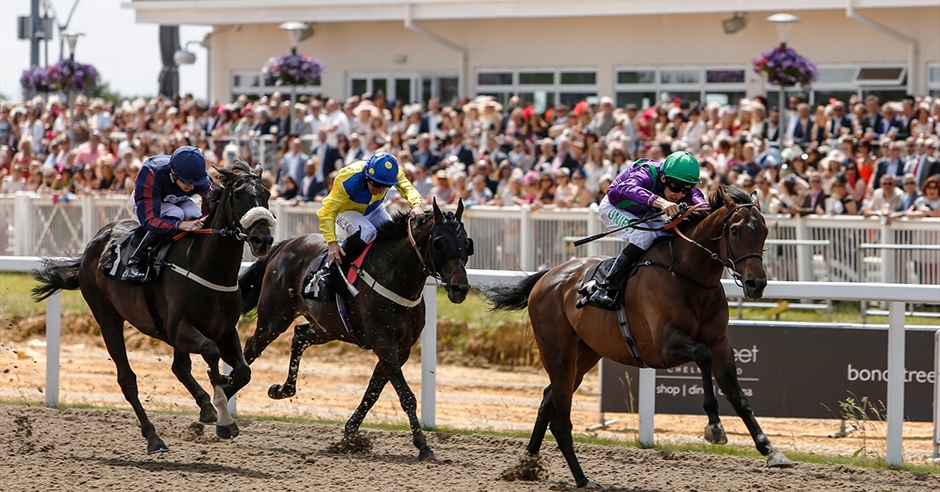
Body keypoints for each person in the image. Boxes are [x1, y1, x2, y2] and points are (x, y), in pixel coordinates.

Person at [589, 151, 707, 308]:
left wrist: (707, 208)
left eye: (686, 189)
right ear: (663, 178)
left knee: (667, 235)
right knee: (644, 237)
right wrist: (661, 202)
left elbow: (696, 197)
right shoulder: (647, 172)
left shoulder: (678, 186)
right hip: (614, 207)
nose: (680, 195)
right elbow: (625, 187)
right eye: (676, 187)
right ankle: (606, 286)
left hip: (644, 210)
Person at [316, 152, 424, 268]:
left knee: (393, 235)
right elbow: (327, 211)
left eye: (385, 186)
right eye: (376, 184)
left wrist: (416, 205)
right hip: (345, 211)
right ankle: (333, 267)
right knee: (368, 232)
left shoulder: (393, 172)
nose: (379, 191)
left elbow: (408, 188)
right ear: (367, 175)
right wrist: (332, 243)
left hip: (374, 208)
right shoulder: (348, 177)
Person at [122, 146, 210, 282]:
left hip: (176, 198)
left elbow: (212, 203)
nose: (193, 187)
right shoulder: (151, 171)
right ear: (173, 173)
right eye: (188, 182)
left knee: (193, 213)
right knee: (177, 213)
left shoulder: (197, 174)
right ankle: (135, 262)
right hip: (149, 200)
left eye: (196, 182)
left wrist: (205, 218)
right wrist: (180, 225)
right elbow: (150, 219)